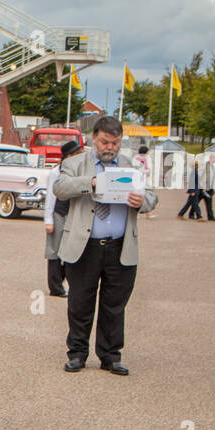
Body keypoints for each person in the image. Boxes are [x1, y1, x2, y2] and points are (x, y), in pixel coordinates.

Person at [55, 115, 158, 375]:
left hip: (120, 247)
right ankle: (77, 353)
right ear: (94, 139)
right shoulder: (75, 163)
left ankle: (111, 356)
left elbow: (152, 196)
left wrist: (141, 201)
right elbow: (60, 187)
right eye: (105, 142)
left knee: (114, 305)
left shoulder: (132, 166)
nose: (110, 147)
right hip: (85, 246)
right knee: (80, 302)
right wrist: (89, 183)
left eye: (115, 142)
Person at [43, 139, 83, 297]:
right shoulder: (55, 172)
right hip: (58, 212)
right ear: (70, 155)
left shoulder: (79, 170)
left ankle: (66, 282)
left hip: (73, 214)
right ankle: (55, 286)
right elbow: (51, 197)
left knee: (71, 249)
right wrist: (48, 220)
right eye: (77, 153)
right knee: (54, 251)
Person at [201, 153, 215, 221]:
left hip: (210, 188)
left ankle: (211, 217)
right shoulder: (206, 166)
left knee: (208, 203)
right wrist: (203, 187)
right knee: (195, 201)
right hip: (205, 188)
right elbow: (203, 177)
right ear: (211, 158)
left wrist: (213, 188)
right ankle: (190, 213)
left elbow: (212, 178)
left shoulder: (212, 166)